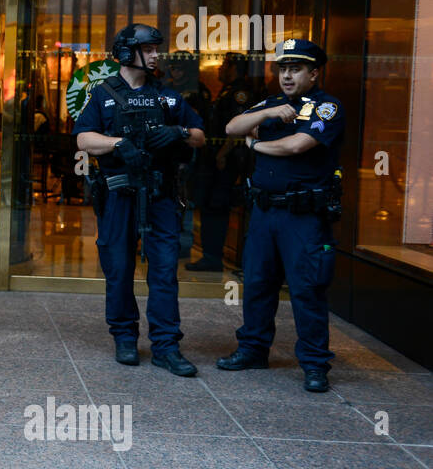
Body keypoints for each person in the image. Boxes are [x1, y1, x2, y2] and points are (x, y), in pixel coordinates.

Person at [73, 23, 207, 375]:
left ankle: (165, 345)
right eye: (148, 49)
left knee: (164, 271)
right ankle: (125, 337)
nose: (155, 55)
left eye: (154, 49)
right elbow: (83, 139)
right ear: (127, 52)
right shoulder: (103, 94)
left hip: (160, 194)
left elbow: (200, 136)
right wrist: (118, 143)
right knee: (118, 268)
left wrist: (177, 132)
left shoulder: (167, 96)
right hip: (119, 193)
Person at [217, 39, 343, 393]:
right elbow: (231, 128)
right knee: (257, 284)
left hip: (302, 215)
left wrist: (256, 143)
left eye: (296, 69)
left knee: (306, 289)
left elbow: (297, 145)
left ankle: (315, 364)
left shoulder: (327, 107)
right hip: (263, 211)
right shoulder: (272, 104)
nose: (287, 76)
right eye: (283, 69)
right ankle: (253, 350)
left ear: (313, 73)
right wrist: (267, 115)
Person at [187, 52, 258, 271]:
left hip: (226, 162)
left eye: (224, 65)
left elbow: (238, 128)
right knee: (209, 206)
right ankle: (211, 255)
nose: (219, 69)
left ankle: (214, 257)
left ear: (234, 68)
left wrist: (222, 154)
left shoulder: (240, 94)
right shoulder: (227, 92)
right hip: (214, 160)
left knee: (217, 207)